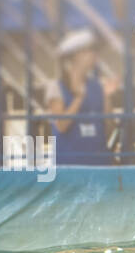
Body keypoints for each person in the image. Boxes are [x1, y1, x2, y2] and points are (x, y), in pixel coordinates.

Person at [45, 29, 118, 165]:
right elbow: (61, 126)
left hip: (98, 163)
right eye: (88, 51)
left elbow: (109, 125)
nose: (94, 55)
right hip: (70, 166)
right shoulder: (56, 87)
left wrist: (107, 97)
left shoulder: (98, 86)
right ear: (76, 56)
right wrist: (78, 98)